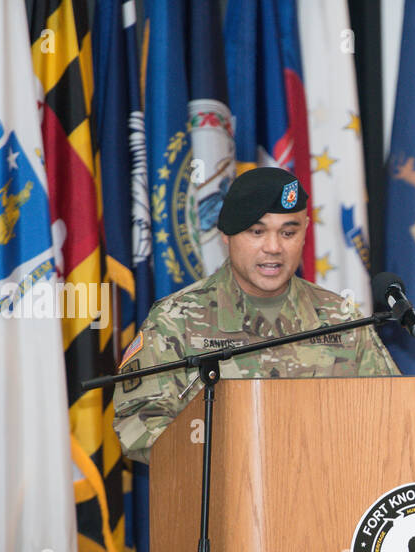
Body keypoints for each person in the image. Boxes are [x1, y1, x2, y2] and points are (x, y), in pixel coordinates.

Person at [114, 167, 399, 461]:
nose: (274, 248)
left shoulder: (341, 319)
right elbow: (137, 426)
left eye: (288, 233)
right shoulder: (176, 320)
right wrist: (233, 452)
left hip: (326, 497)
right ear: (226, 234)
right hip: (221, 499)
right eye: (257, 232)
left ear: (305, 230)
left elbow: (395, 415)